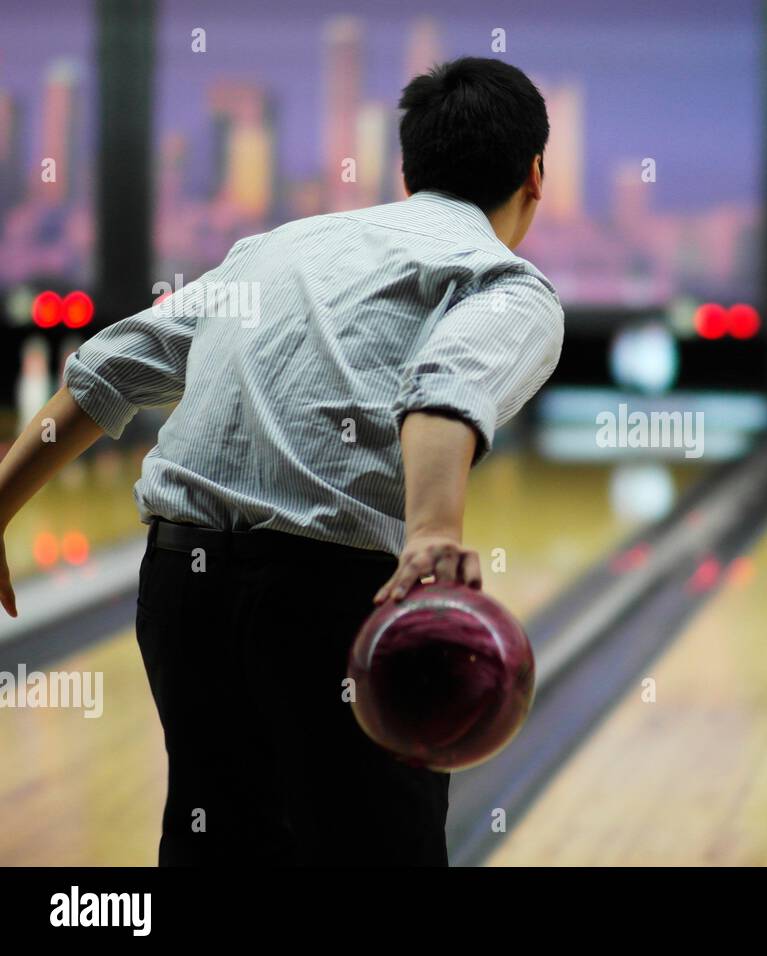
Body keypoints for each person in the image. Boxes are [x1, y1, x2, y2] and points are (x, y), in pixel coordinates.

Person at [0, 57, 563, 866]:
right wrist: (431, 535)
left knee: (217, 838)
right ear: (535, 175)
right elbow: (447, 385)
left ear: (407, 169)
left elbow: (115, 366)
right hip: (328, 602)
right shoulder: (506, 282)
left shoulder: (280, 245)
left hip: (179, 588)